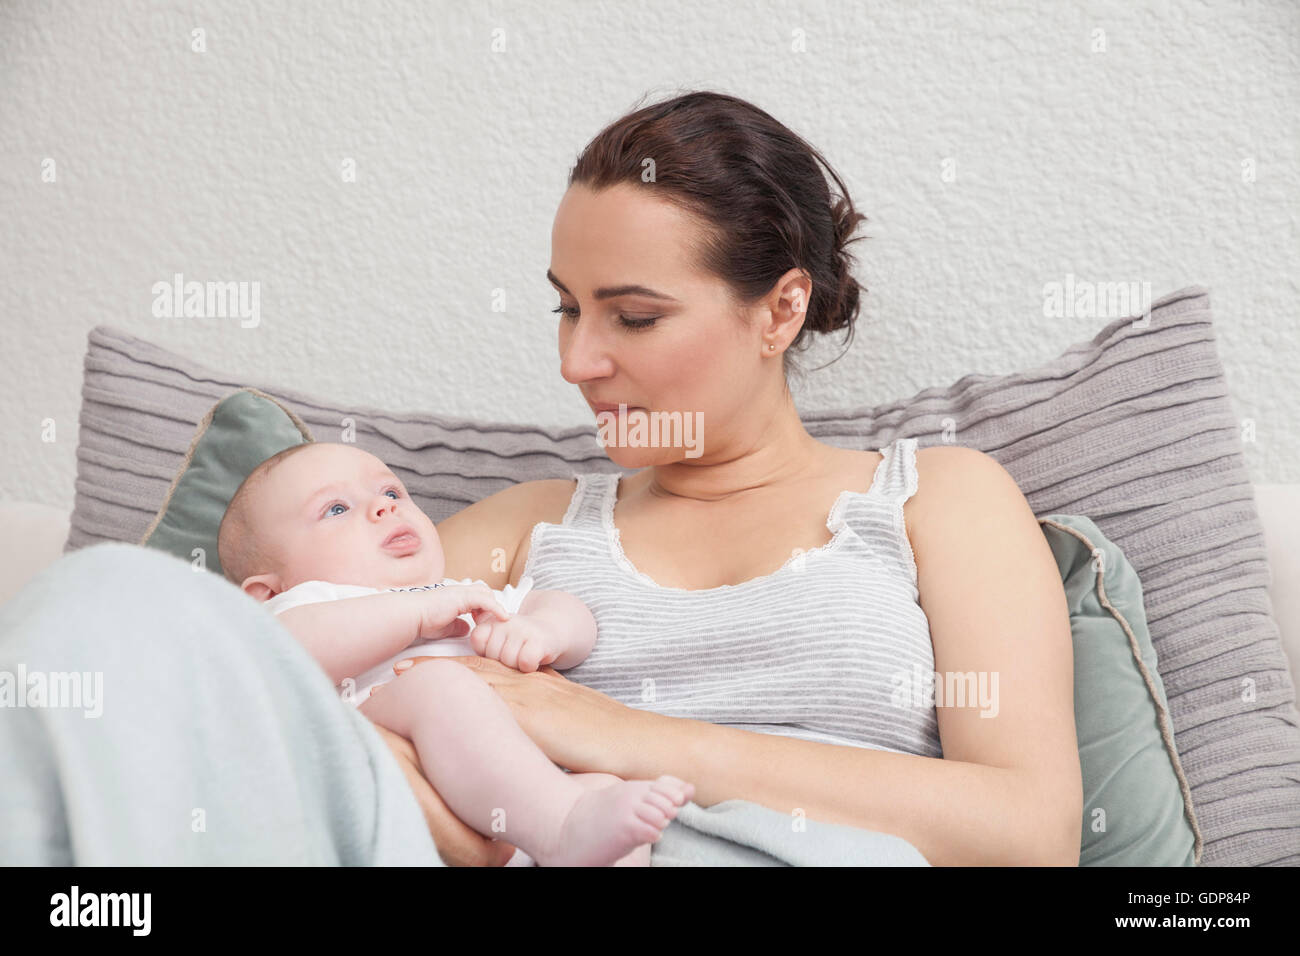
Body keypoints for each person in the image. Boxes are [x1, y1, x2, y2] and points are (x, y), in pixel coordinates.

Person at [394, 90, 1082, 866]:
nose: (575, 363)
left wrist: (623, 735)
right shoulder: (524, 529)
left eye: (635, 317)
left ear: (782, 310)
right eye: (566, 307)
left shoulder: (938, 501)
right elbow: (318, 711)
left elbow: (1030, 834)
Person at [217, 440, 694, 866]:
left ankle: (566, 827)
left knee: (611, 792)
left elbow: (570, 614)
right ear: (266, 593)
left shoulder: (463, 593)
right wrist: (417, 612)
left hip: (526, 809)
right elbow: (286, 655)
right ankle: (564, 826)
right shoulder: (301, 607)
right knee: (434, 684)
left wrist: (544, 628)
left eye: (392, 493)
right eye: (336, 509)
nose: (383, 509)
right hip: (409, 799)